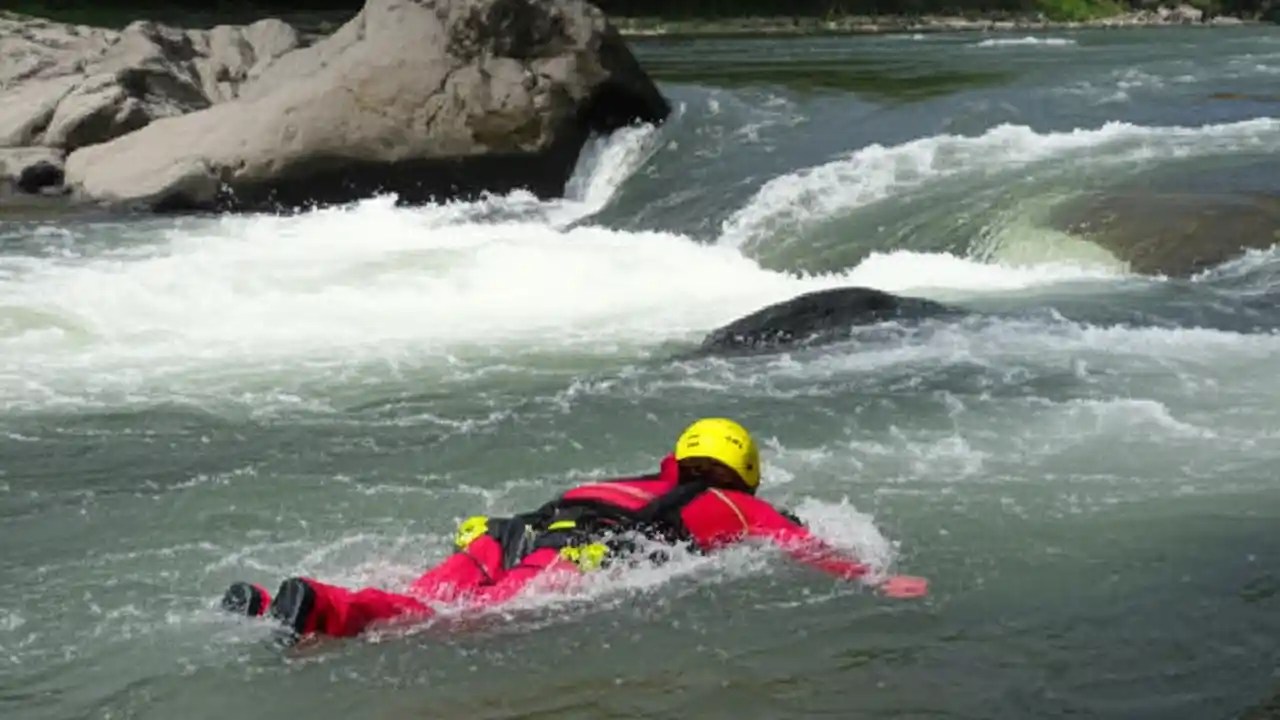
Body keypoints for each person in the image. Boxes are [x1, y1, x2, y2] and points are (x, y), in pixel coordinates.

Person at [220, 417, 928, 642]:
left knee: (425, 600)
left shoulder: (634, 479)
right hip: (579, 553)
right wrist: (873, 578)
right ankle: (315, 608)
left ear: (678, 458)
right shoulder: (745, 508)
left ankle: (301, 602)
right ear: (743, 472)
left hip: (507, 533)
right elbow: (807, 548)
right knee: (460, 626)